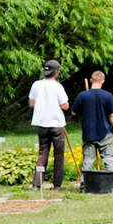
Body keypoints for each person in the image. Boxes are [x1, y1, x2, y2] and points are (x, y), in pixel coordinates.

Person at [71, 70, 113, 186]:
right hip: (105, 133)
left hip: (88, 133)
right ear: (102, 81)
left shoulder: (83, 96)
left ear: (91, 80)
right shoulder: (108, 96)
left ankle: (84, 185)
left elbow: (73, 112)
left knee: (88, 161)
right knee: (109, 160)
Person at [29, 59, 70, 190]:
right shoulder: (58, 86)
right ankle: (57, 185)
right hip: (56, 124)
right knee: (58, 155)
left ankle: (37, 184)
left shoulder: (36, 85)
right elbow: (65, 106)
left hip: (42, 124)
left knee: (42, 154)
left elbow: (31, 103)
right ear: (57, 72)